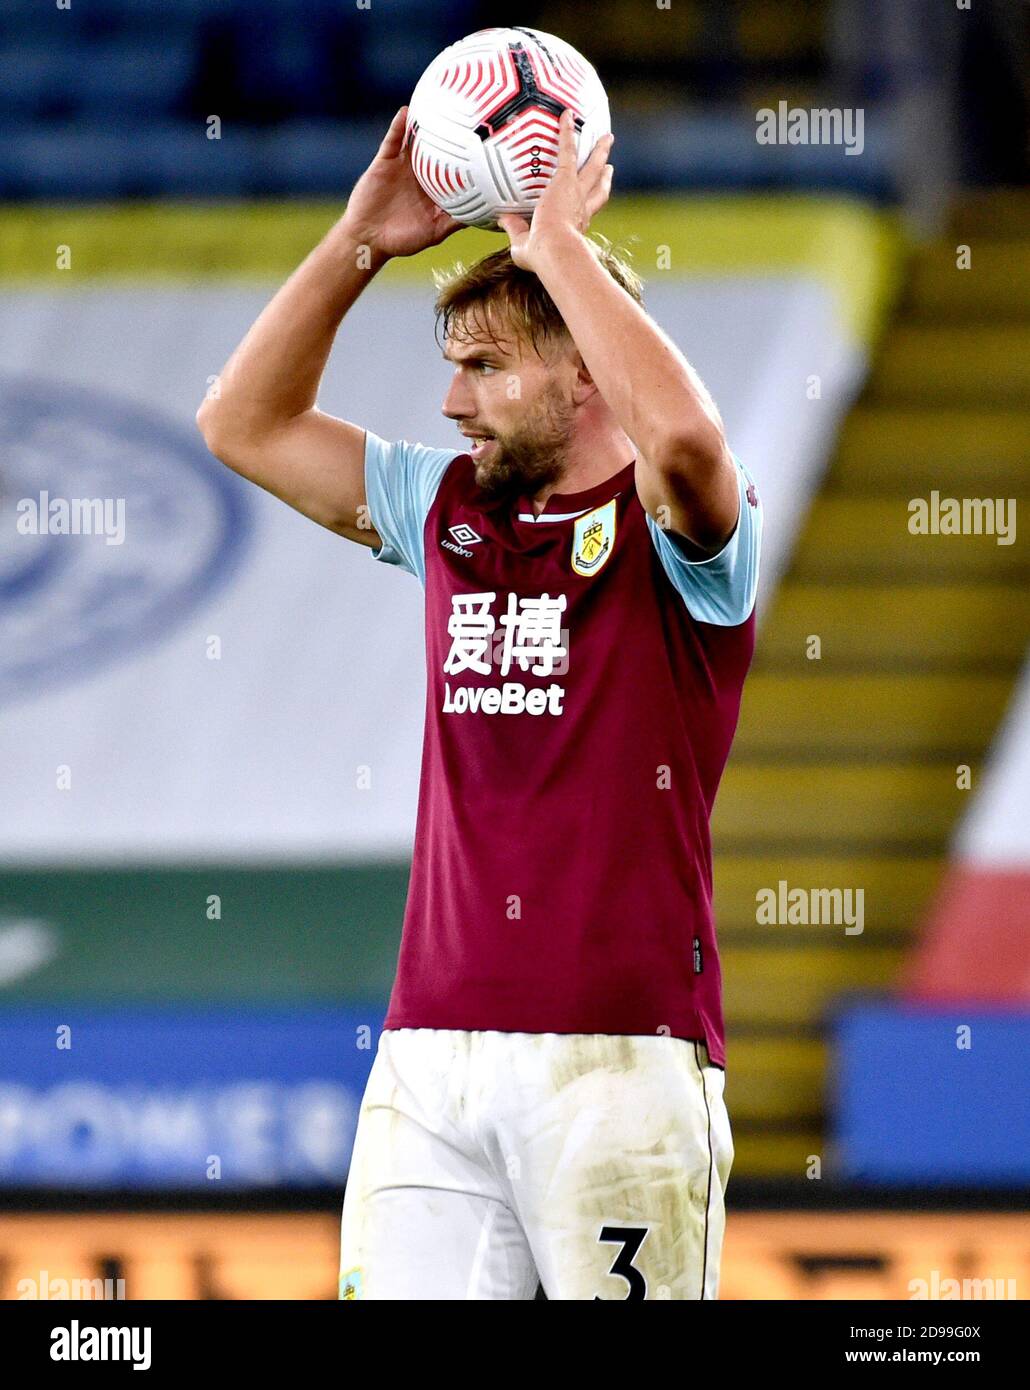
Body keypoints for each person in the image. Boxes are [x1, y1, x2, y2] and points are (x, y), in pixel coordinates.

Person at [197, 106, 761, 1300]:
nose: (452, 402)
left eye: (487, 366)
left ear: (582, 370)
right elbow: (239, 424)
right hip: (428, 1060)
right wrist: (361, 236)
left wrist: (560, 245)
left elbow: (690, 444)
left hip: (624, 1064)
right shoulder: (448, 510)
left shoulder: (686, 535)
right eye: (454, 368)